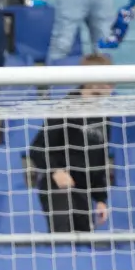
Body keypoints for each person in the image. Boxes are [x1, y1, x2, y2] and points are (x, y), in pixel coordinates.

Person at [26, 57, 113, 232]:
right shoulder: (66, 108)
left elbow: (99, 160)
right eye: (108, 80)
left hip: (83, 191)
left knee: (84, 243)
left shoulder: (105, 114)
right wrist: (56, 171)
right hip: (58, 187)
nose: (112, 86)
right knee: (64, 242)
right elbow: (37, 148)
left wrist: (101, 199)